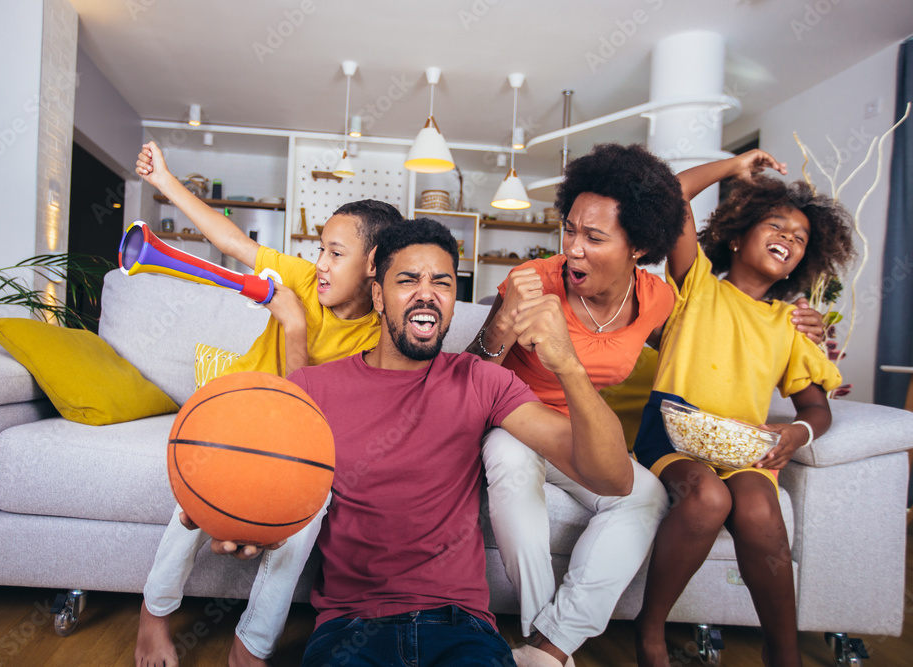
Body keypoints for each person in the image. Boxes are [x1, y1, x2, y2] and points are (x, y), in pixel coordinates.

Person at [198, 218, 634, 665]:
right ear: (377, 295)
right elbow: (264, 478)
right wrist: (243, 523)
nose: (426, 292)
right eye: (408, 280)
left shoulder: (483, 381)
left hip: (461, 627)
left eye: (441, 282)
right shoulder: (314, 387)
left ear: (451, 299)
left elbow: (614, 479)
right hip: (350, 628)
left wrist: (570, 368)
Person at [463, 143, 829, 666]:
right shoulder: (537, 280)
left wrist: (807, 331)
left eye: (593, 236)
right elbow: (472, 378)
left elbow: (702, 345)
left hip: (584, 432)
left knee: (645, 500)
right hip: (518, 423)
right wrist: (502, 322)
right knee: (509, 464)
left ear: (637, 246)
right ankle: (543, 642)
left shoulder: (658, 299)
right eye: (569, 230)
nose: (573, 248)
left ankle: (552, 643)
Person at [133, 141, 403, 666]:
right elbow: (230, 239)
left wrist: (294, 326)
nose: (319, 263)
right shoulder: (302, 279)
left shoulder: (379, 334)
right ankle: (154, 613)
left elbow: (308, 412)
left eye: (335, 253)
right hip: (235, 414)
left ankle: (251, 644)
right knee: (194, 493)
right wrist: (165, 183)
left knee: (311, 508)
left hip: (299, 432)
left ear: (374, 265)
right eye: (320, 248)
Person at [632, 150, 854, 667]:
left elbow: (816, 409)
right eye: (777, 226)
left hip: (742, 445)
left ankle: (784, 653)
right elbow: (675, 193)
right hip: (670, 433)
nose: (790, 239)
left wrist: (796, 434)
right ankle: (650, 631)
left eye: (800, 238)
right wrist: (732, 168)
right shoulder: (697, 284)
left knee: (758, 509)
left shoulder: (791, 324)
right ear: (736, 236)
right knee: (707, 499)